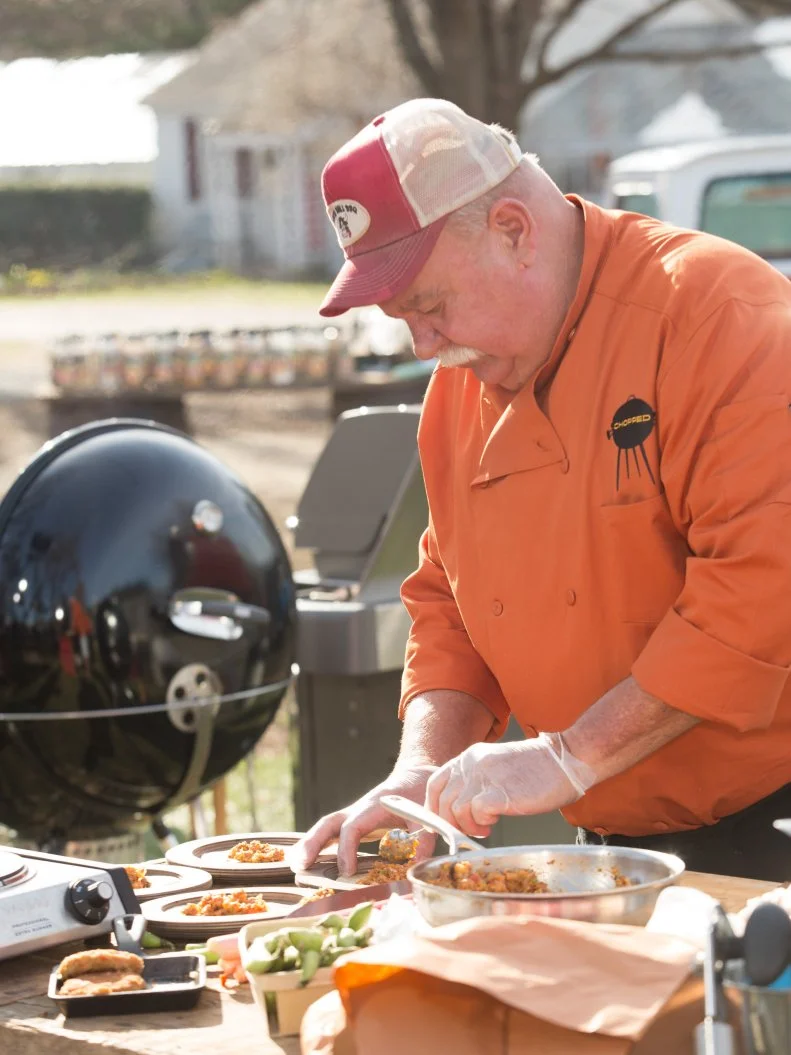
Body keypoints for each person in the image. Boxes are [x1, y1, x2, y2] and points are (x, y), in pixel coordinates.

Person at [291, 98, 791, 882]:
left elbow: (760, 588)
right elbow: (449, 602)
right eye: (402, 320)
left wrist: (569, 754)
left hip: (769, 827)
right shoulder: (457, 389)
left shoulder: (715, 314)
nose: (423, 345)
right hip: (613, 846)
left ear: (513, 231)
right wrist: (420, 768)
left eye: (427, 305)